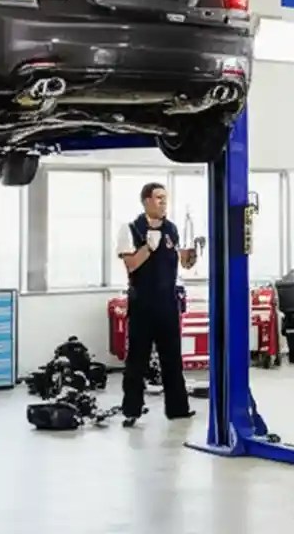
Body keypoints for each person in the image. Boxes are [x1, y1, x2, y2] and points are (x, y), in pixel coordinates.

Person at [117, 182, 198, 426]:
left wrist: (190, 256)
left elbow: (183, 264)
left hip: (167, 303)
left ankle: (178, 409)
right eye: (159, 198)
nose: (164, 202)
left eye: (166, 198)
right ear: (146, 201)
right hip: (142, 303)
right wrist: (148, 248)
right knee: (137, 359)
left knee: (172, 358)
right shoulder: (131, 228)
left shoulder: (172, 229)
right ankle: (131, 410)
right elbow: (131, 264)